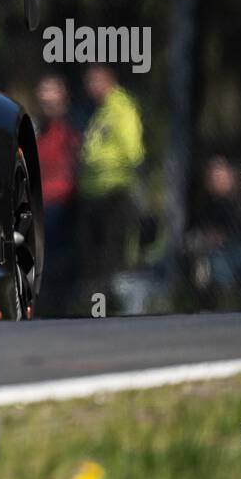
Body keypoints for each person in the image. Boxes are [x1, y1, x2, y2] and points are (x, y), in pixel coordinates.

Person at [76, 63, 145, 305]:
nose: (89, 87)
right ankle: (96, 303)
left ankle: (110, 303)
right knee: (91, 254)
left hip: (114, 191)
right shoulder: (100, 110)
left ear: (108, 80)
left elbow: (132, 151)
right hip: (93, 193)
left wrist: (102, 164)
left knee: (110, 254)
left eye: (94, 81)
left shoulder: (121, 108)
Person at [33, 74, 80, 314]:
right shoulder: (38, 127)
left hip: (63, 203)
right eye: (44, 91)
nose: (47, 97)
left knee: (59, 258)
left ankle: (63, 305)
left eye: (52, 91)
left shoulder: (73, 125)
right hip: (40, 202)